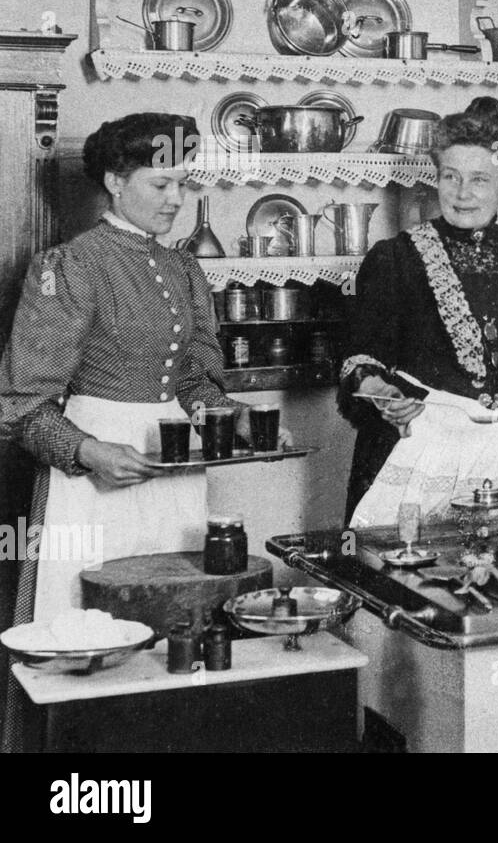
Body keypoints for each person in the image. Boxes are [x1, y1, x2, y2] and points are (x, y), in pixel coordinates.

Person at [0, 113, 287, 749]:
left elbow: (195, 384)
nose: (175, 201)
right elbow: (21, 404)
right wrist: (85, 450)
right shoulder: (68, 266)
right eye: (160, 185)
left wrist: (232, 419)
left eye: (182, 185)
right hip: (91, 477)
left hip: (176, 472)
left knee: (179, 630)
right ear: (114, 180)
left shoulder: (186, 270)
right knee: (89, 639)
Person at [338, 97, 498, 526]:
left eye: (479, 180)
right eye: (450, 177)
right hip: (427, 442)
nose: (462, 193)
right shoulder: (394, 260)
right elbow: (360, 357)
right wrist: (381, 392)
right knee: (408, 570)